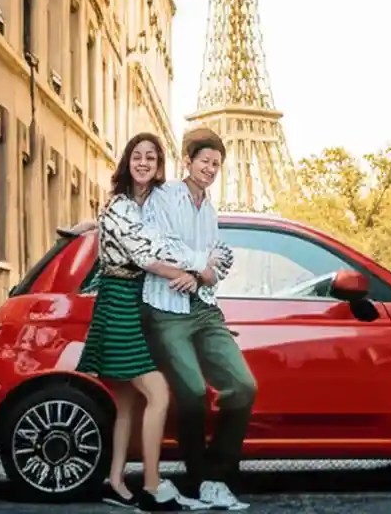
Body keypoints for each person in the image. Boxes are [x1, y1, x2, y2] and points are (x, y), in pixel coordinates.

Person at [76, 132, 227, 512]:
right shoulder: (123, 206)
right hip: (121, 302)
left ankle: (114, 481)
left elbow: (159, 240)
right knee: (158, 394)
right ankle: (152, 486)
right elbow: (147, 256)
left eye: (152, 158)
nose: (143, 163)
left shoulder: (148, 205)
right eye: (137, 156)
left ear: (160, 166)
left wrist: (87, 226)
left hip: (139, 300)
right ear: (127, 161)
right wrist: (199, 271)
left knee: (128, 403)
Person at [141, 128, 256, 512]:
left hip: (203, 308)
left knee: (242, 386)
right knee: (191, 393)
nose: (210, 169)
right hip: (166, 308)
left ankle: (216, 477)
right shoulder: (162, 196)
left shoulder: (208, 208)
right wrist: (198, 267)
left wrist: (208, 270)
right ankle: (199, 478)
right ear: (187, 161)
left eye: (216, 165)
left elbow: (217, 255)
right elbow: (159, 245)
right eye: (205, 161)